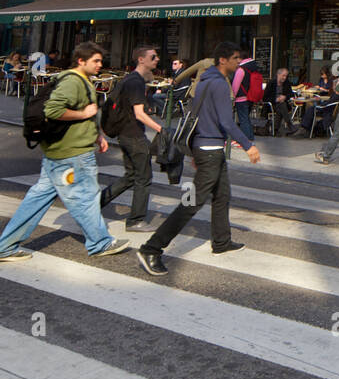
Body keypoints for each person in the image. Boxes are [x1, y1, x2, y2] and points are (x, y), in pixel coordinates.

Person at [0, 42, 130, 262]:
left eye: (101, 60)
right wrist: (83, 115)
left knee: (36, 200)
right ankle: (100, 243)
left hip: (59, 152)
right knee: (86, 198)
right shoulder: (74, 82)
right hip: (72, 154)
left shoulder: (70, 79)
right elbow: (54, 110)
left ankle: (3, 247)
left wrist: (96, 134)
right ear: (81, 61)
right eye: (96, 61)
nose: (101, 65)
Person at [137, 42, 261, 276]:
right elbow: (226, 121)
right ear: (222, 60)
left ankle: (222, 242)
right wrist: (248, 145)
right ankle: (152, 248)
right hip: (211, 149)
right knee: (191, 203)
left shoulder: (203, 82)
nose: (237, 62)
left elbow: (194, 116)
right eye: (234, 58)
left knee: (223, 195)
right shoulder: (220, 85)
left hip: (205, 147)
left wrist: (195, 151)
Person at [99, 46, 163, 231]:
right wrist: (161, 129)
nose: (157, 59)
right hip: (134, 136)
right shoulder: (135, 82)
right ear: (141, 59)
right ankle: (136, 220)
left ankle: (94, 205)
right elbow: (139, 114)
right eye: (153, 56)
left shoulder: (130, 79)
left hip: (124, 135)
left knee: (131, 176)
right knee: (144, 177)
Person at [231, 50, 260, 142]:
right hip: (249, 97)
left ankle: (247, 138)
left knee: (243, 119)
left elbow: (236, 85)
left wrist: (232, 97)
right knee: (246, 118)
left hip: (240, 98)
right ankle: (250, 136)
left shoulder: (241, 69)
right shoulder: (252, 68)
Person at [270, 67, 295, 136]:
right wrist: (276, 99)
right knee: (281, 106)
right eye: (283, 75)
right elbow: (266, 97)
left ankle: (275, 129)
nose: (284, 78)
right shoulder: (271, 83)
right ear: (278, 74)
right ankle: (290, 125)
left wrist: (285, 97)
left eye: (286, 76)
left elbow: (291, 93)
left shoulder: (286, 83)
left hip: (283, 104)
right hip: (272, 104)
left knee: (281, 106)